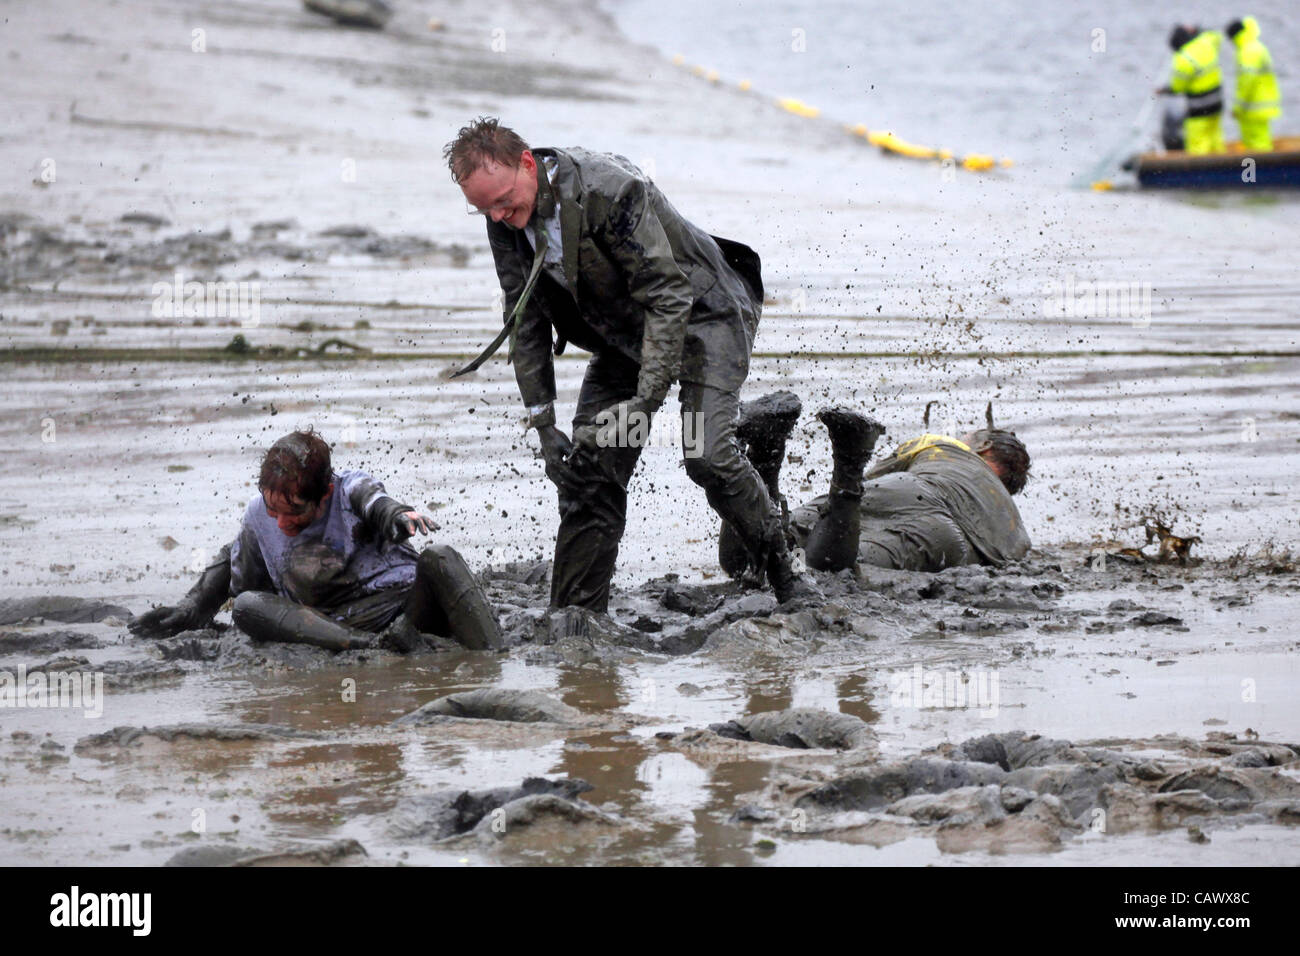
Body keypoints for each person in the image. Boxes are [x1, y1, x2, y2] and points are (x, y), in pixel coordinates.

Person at [443, 117, 817, 613]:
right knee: (587, 464)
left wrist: (643, 404)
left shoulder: (609, 191)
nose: (498, 216)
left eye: (504, 199)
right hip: (623, 333)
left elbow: (667, 295)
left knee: (706, 455)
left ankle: (789, 575)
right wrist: (543, 422)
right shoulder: (506, 222)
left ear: (528, 163)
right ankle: (578, 615)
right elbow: (525, 315)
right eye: (483, 209)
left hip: (705, 314)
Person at [129, 429, 502, 652]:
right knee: (245, 605)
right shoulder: (258, 517)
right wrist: (192, 607)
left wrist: (400, 517)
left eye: (295, 512)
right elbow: (243, 582)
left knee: (439, 556)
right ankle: (369, 648)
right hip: (334, 628)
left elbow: (378, 503)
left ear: (324, 494)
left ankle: (496, 655)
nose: (283, 523)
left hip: (407, 611)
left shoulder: (349, 489)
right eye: (275, 512)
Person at [719, 394, 1031, 576]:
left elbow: (872, 488)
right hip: (950, 541)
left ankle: (765, 461)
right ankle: (845, 468)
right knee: (831, 571)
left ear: (983, 444)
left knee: (757, 555)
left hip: (912, 488)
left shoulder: (943, 447)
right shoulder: (1016, 531)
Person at [1158, 24, 1225, 155]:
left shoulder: (1182, 60)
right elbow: (1215, 35)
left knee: (1197, 144)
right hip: (1216, 103)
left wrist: (1165, 90)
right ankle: (1223, 169)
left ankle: (1202, 173)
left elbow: (1178, 87)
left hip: (1199, 108)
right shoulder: (1205, 43)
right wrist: (1197, 29)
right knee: (1215, 139)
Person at [1227, 17, 1282, 151]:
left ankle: (1263, 171)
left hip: (1254, 107)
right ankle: (1260, 170)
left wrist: (1238, 107)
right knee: (1259, 142)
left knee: (1258, 145)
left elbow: (1247, 82)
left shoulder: (1248, 51)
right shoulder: (1255, 46)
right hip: (1259, 105)